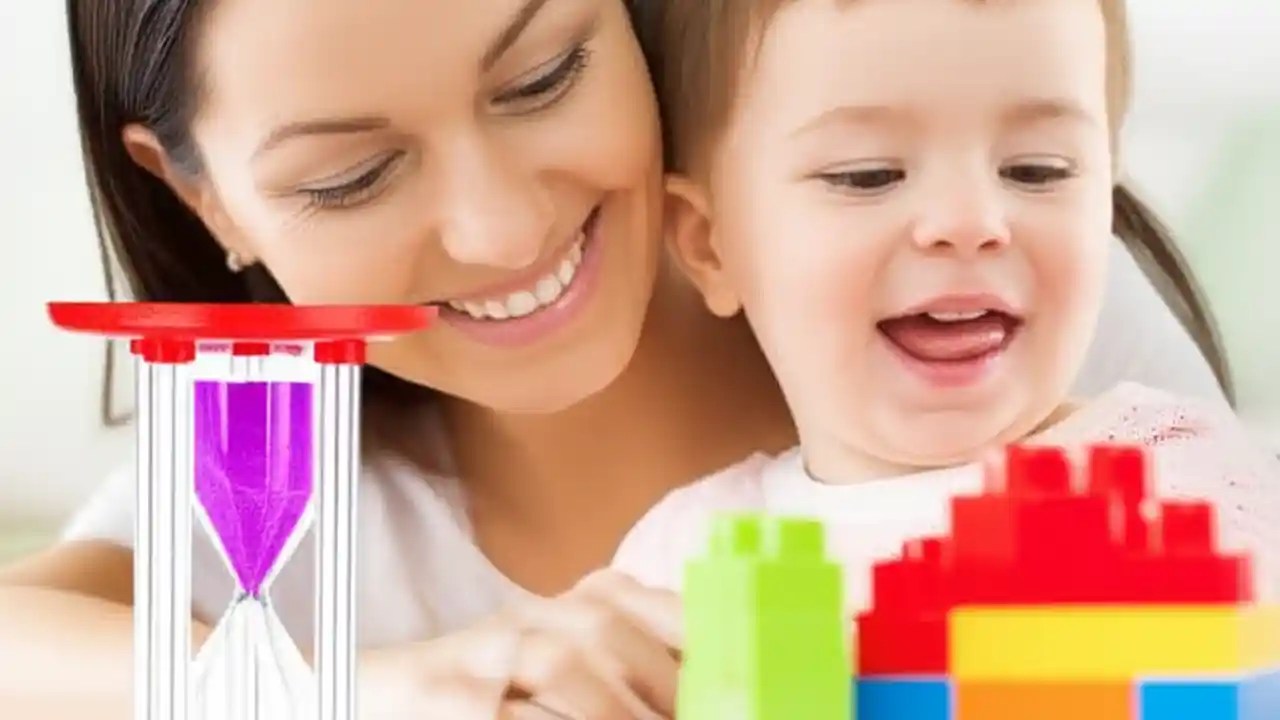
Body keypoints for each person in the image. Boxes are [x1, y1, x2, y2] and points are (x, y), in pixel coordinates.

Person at [0, 0, 1238, 717]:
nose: (499, 229)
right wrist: (386, 694)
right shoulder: (276, 454)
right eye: (350, 178)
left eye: (542, 78)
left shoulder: (959, 293)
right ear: (203, 199)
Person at [611, 0, 1280, 613]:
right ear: (709, 246)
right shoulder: (676, 568)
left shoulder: (1189, 493)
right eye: (867, 175)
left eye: (1036, 170)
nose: (969, 221)